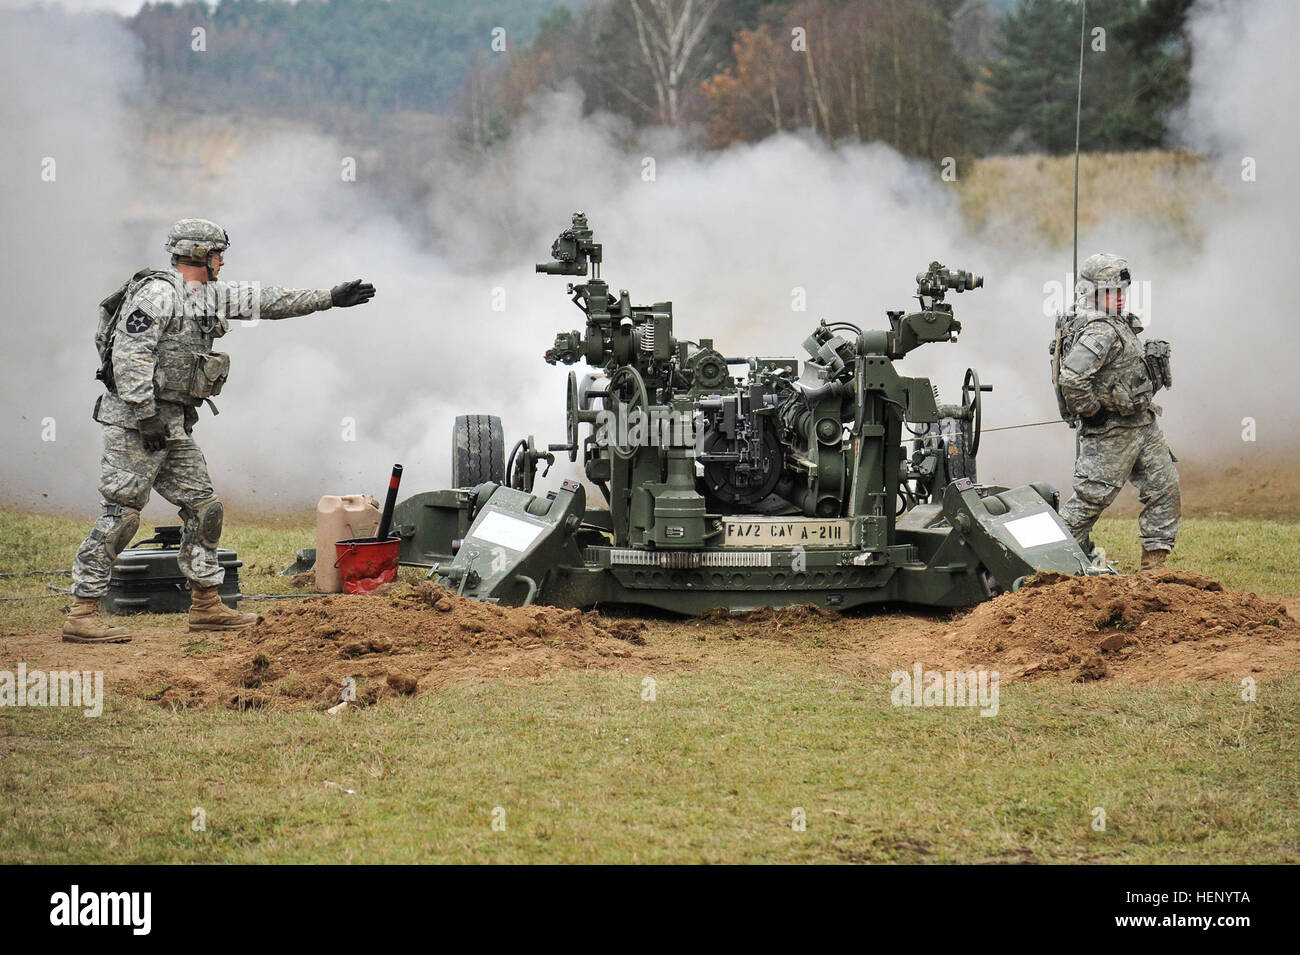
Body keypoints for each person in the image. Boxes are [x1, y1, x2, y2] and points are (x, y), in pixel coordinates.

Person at [62, 218, 376, 643]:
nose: (223, 261)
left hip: (171, 424)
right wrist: (144, 413)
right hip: (136, 424)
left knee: (204, 508)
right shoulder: (159, 294)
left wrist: (329, 298)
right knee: (122, 515)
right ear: (198, 254)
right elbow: (129, 353)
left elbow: (268, 300)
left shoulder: (206, 295)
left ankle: (206, 606)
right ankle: (82, 612)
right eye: (217, 254)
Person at [1054, 252, 1179, 571]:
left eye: (1122, 290)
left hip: (1142, 424)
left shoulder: (1114, 321)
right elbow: (1072, 377)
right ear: (1092, 292)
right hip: (1111, 432)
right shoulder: (1099, 330)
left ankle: (1154, 570)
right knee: (1089, 501)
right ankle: (1050, 562)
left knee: (1164, 487)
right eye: (1111, 291)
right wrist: (1091, 411)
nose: (1120, 297)